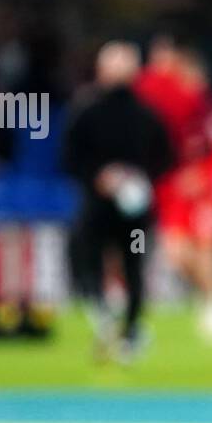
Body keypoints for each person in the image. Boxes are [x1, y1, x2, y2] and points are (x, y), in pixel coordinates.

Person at [62, 41, 174, 363]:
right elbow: (165, 158)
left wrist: (99, 177)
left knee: (93, 261)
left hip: (103, 206)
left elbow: (69, 157)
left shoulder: (87, 111)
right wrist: (137, 178)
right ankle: (128, 330)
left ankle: (105, 314)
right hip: (132, 210)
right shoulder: (146, 114)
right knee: (133, 266)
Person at [134, 37, 212, 344]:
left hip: (205, 192)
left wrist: (203, 175)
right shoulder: (171, 104)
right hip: (173, 191)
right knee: (175, 253)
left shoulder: (211, 110)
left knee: (207, 249)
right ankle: (208, 294)